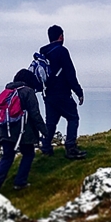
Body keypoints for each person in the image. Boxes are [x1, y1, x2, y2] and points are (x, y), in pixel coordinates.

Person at [0, 69, 48, 194]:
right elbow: (35, 114)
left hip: (5, 130)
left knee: (7, 156)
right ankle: (20, 182)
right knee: (28, 154)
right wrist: (45, 132)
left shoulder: (7, 91)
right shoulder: (28, 92)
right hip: (23, 132)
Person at [39, 25, 87, 159]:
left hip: (48, 94)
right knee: (73, 117)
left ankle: (46, 147)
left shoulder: (43, 53)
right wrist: (79, 92)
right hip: (62, 93)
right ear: (61, 36)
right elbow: (70, 73)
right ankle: (71, 148)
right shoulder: (62, 51)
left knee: (51, 122)